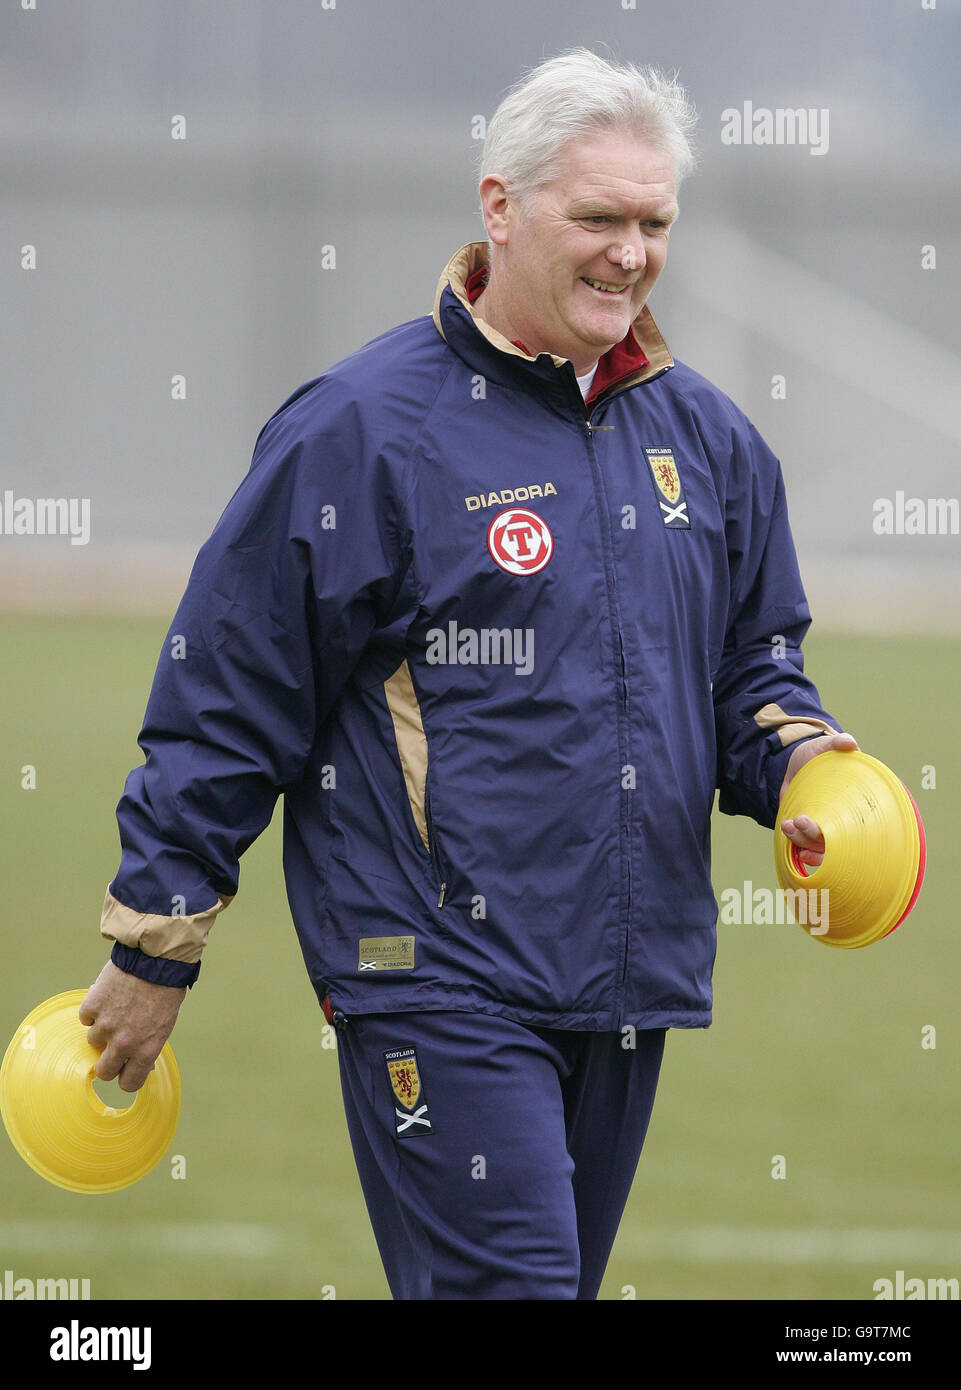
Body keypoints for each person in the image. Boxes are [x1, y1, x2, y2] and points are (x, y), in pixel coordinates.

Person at [80, 48, 857, 1300]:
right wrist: (157, 943)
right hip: (430, 975)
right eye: (597, 217)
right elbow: (230, 692)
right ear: (498, 208)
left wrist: (809, 763)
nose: (630, 252)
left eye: (654, 221)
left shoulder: (710, 440)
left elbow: (753, 672)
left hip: (624, 973)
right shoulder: (362, 427)